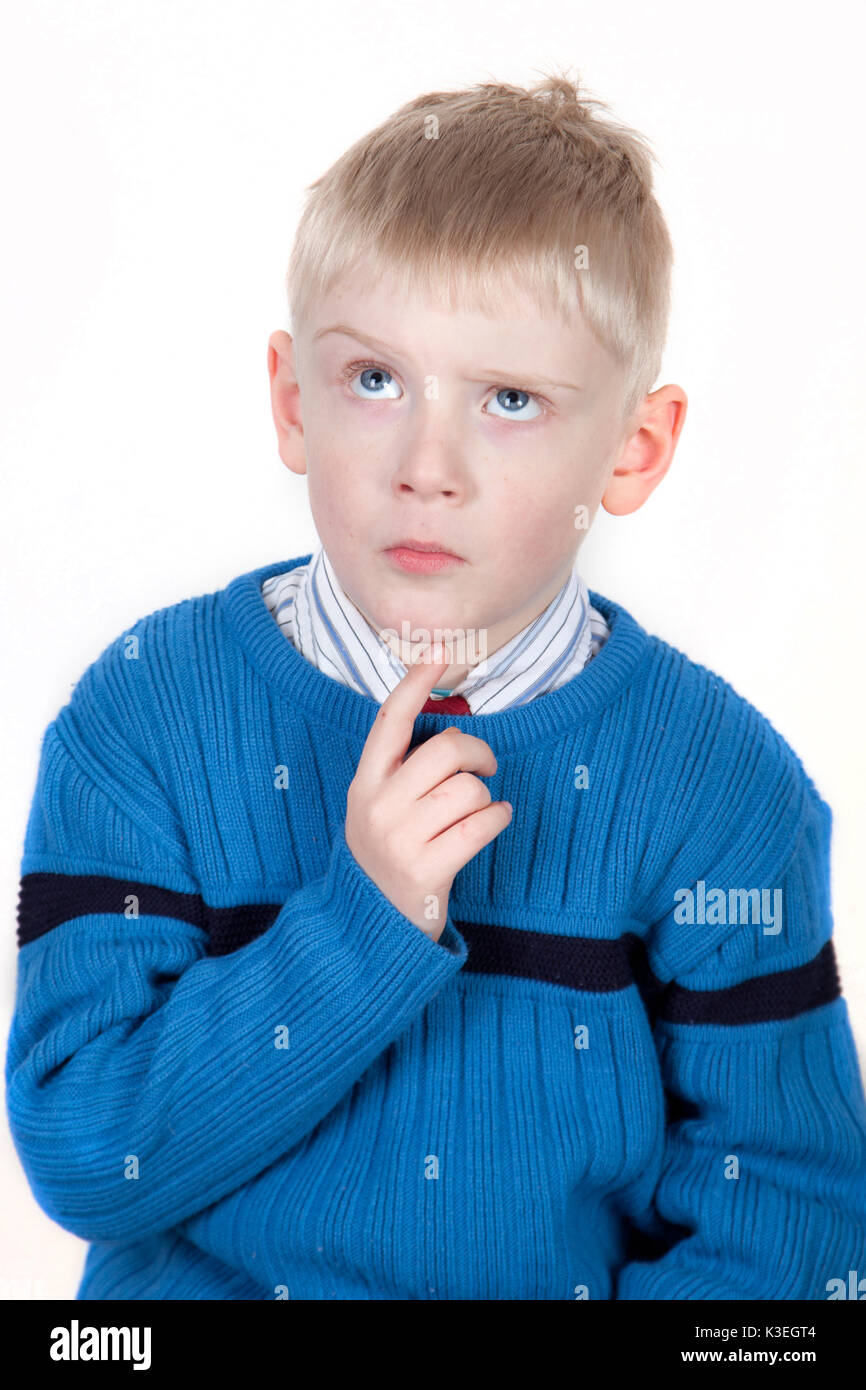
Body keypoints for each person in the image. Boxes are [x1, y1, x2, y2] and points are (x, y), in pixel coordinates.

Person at [7, 71, 866, 1301]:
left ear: (633, 449)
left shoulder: (722, 787)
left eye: (509, 400)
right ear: (291, 399)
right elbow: (87, 1158)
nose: (425, 466)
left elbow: (788, 1220)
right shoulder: (139, 721)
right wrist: (362, 922)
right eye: (372, 381)